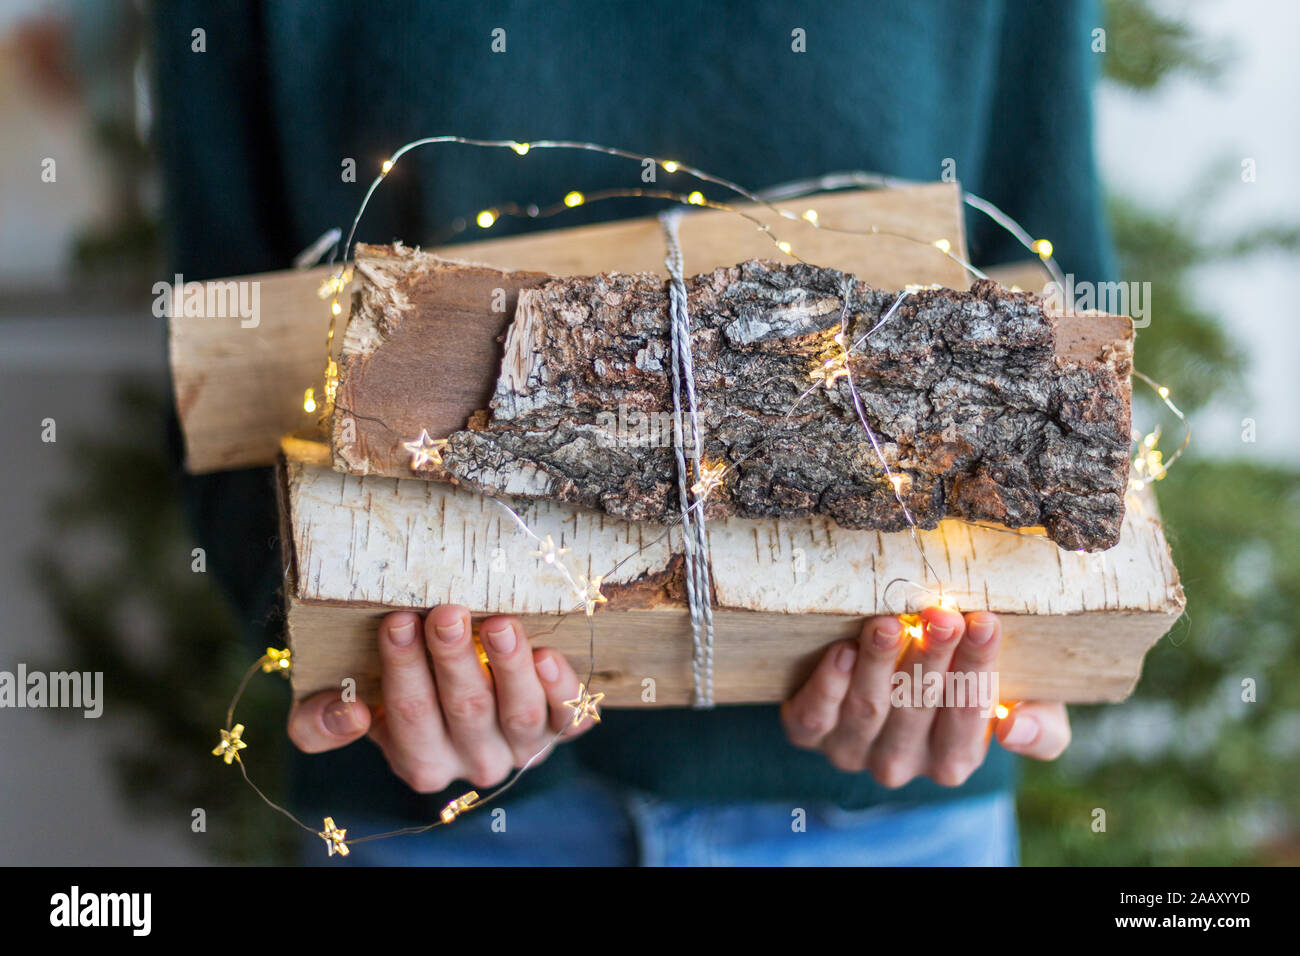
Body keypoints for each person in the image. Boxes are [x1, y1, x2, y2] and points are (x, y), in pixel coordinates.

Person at [155, 0, 1109, 865]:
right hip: (447, 821)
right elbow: (224, 360)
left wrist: (1030, 652)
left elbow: (1056, 316)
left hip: (885, 825)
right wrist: (343, 654)